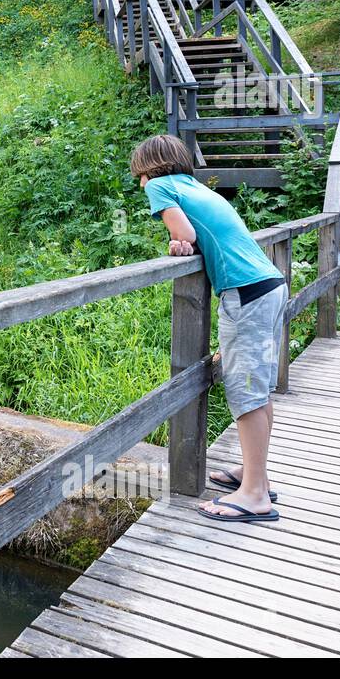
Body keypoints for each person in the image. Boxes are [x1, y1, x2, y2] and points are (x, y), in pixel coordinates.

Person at [131, 134, 287, 522]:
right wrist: (184, 241)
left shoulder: (161, 186)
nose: (140, 185)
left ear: (150, 170)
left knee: (245, 389)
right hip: (269, 284)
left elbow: (185, 234)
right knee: (259, 386)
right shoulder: (194, 186)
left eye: (139, 176)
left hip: (245, 291)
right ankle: (256, 476)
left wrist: (177, 242)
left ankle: (254, 496)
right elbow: (198, 235)